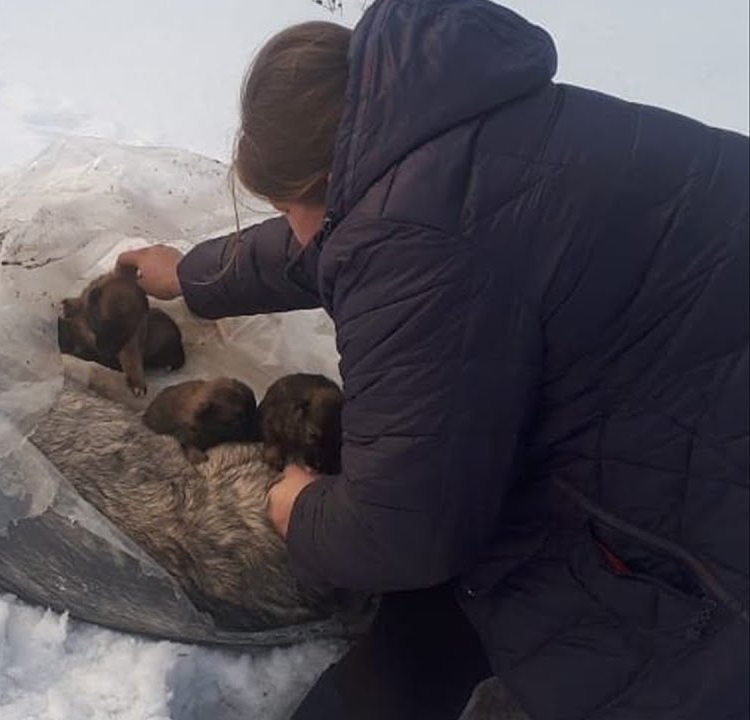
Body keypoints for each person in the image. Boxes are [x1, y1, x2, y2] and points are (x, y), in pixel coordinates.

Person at [116, 1, 749, 718]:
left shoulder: (415, 242)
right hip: (689, 396)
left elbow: (403, 536)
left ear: (321, 183)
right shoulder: (461, 126)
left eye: (286, 204)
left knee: (425, 648)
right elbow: (341, 236)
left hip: (707, 556)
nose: (296, 230)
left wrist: (305, 508)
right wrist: (194, 274)